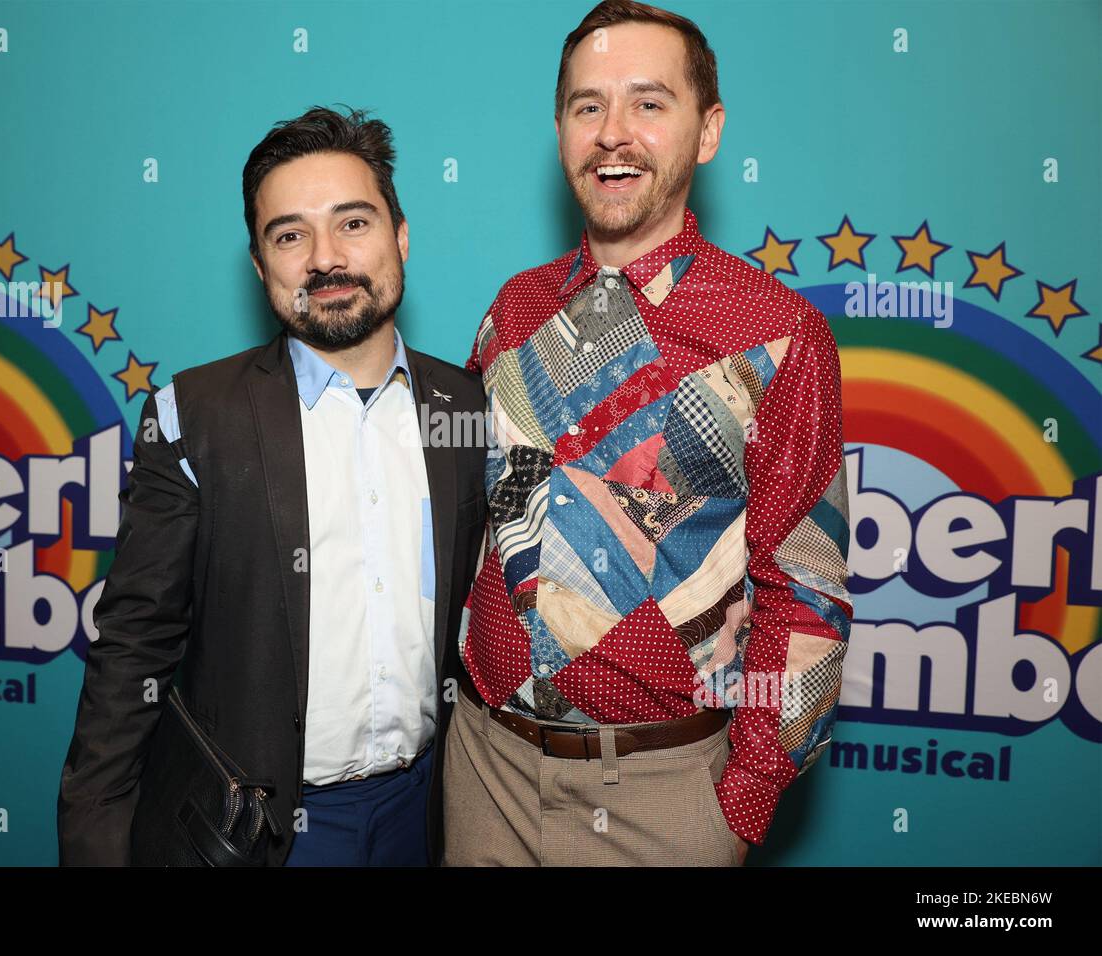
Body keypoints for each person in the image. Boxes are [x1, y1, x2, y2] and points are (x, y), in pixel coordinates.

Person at [443, 0, 854, 866]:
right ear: (560, 129)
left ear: (709, 131)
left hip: (659, 797)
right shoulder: (513, 309)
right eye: (588, 105)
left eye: (649, 103)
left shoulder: (777, 333)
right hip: (482, 771)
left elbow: (806, 587)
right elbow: (475, 520)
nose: (612, 133)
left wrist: (739, 803)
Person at [58, 106, 487, 867]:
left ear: (400, 236)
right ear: (260, 266)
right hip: (257, 831)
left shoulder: (467, 408)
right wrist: (94, 837)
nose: (326, 258)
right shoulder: (193, 415)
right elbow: (133, 644)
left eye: (353, 223)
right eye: (290, 236)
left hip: (429, 814)